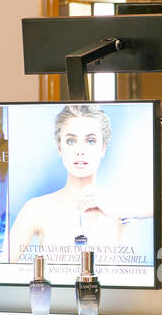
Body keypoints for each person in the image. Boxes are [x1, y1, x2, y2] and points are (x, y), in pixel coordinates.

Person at [8, 104, 151, 263]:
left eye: (90, 141)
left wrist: (122, 211)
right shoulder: (36, 208)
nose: (80, 150)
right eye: (71, 141)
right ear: (59, 147)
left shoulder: (117, 206)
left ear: (103, 148)